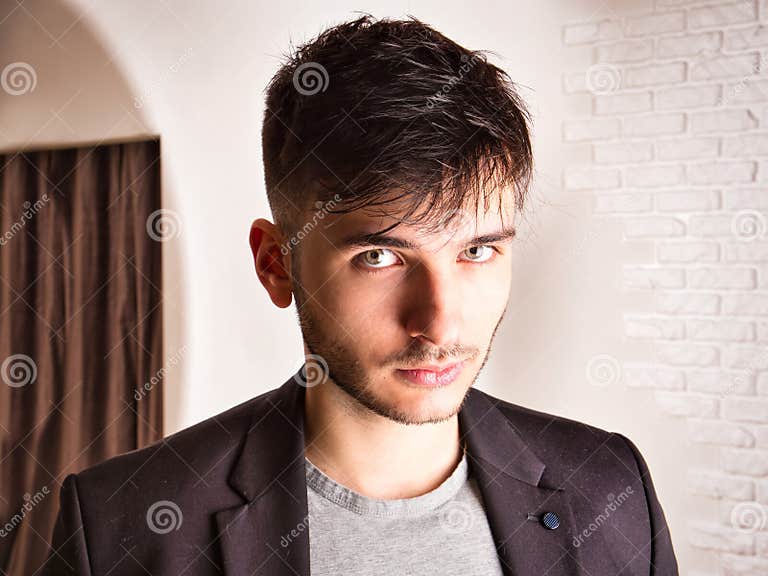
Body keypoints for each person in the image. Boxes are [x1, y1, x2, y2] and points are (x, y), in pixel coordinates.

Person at [41, 14, 678, 576]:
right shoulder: (123, 528)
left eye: (477, 251)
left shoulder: (612, 487)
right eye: (380, 256)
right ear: (276, 264)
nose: (441, 323)